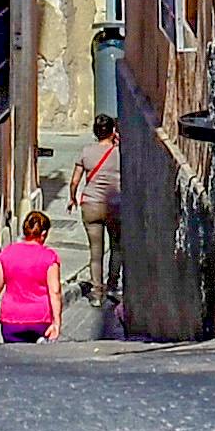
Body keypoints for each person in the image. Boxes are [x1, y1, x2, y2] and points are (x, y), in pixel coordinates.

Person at [0, 209, 66, 344]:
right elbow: (55, 291)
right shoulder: (50, 257)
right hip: (40, 319)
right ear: (43, 234)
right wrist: (57, 323)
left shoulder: (6, 253)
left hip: (12, 319)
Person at [74, 114, 121, 327]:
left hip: (90, 205)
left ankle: (96, 293)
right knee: (117, 246)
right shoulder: (120, 152)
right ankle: (112, 284)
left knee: (95, 252)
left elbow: (75, 181)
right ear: (112, 131)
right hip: (114, 205)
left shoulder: (86, 152)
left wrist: (71, 198)